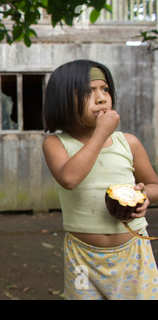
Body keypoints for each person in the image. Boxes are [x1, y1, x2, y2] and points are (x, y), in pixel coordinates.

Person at [42, 59, 158, 299]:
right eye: (88, 92)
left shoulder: (129, 143)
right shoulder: (56, 144)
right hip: (83, 259)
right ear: (63, 99)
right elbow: (69, 178)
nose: (101, 98)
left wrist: (144, 196)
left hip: (133, 254)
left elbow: (154, 185)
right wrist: (102, 132)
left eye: (104, 89)